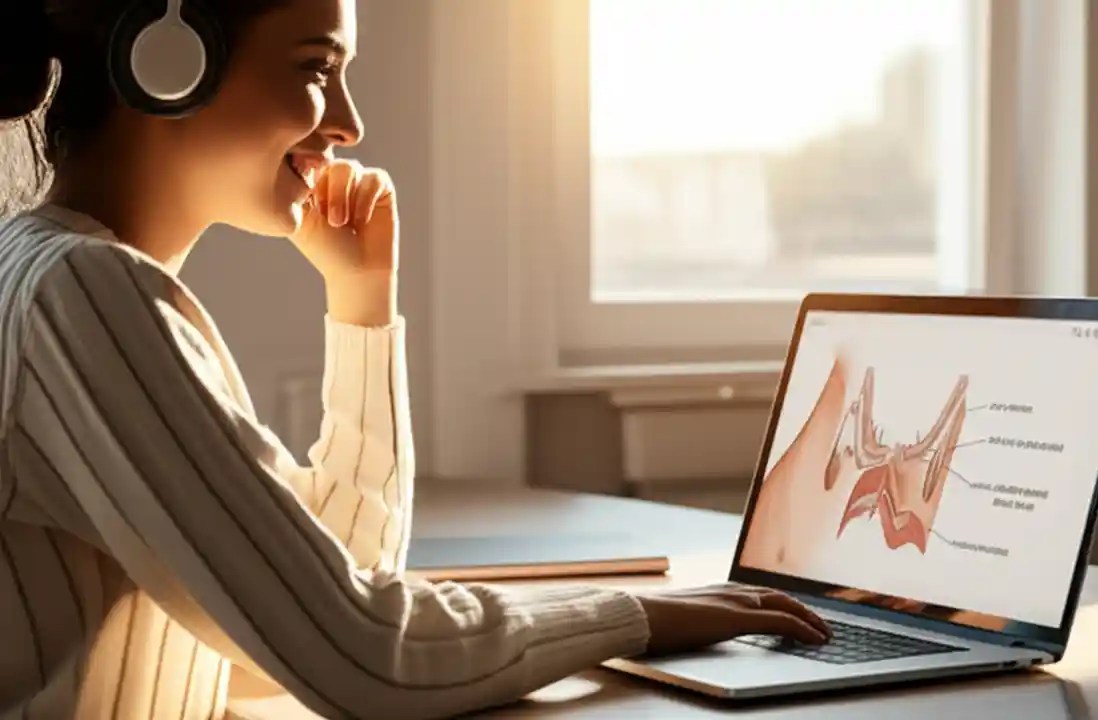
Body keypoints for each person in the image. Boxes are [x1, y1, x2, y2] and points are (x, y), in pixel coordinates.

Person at [0, 1, 830, 718]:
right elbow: (361, 655)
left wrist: (361, 306)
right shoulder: (82, 293)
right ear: (168, 59)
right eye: (317, 67)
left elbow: (332, 589)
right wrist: (637, 614)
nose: (350, 122)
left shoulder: (61, 279)